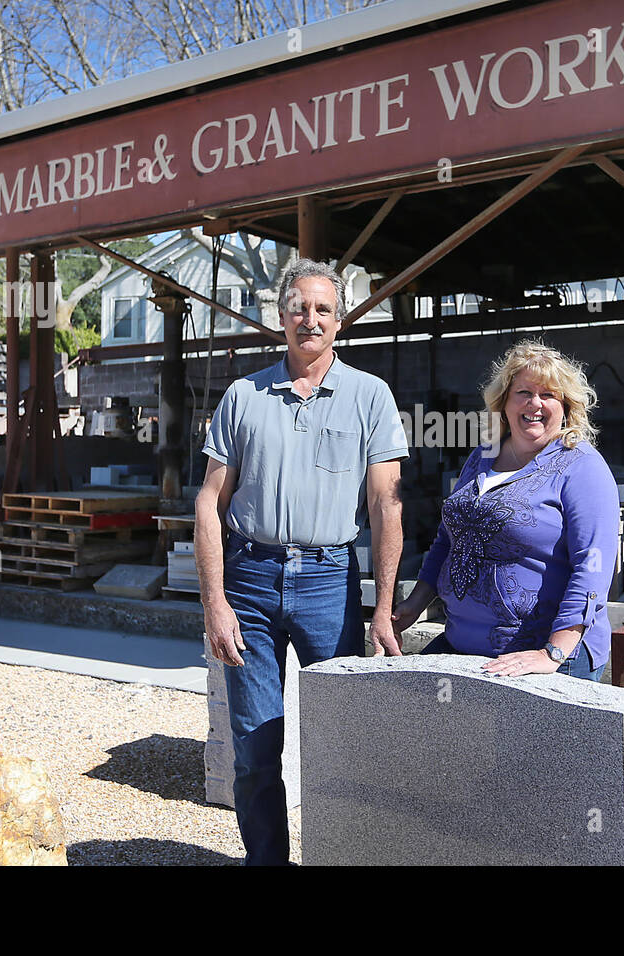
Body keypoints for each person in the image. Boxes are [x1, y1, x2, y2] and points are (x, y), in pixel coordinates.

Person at [195, 258, 407, 866]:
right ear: (280, 317)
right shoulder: (243, 396)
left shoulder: (370, 397)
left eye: (322, 309)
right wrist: (215, 603)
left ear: (339, 322)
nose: (309, 319)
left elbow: (386, 508)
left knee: (340, 743)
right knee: (256, 747)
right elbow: (209, 503)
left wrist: (384, 608)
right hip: (251, 581)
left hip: (328, 582)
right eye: (298, 307)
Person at [392, 340, 619, 680]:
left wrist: (553, 652)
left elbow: (593, 567)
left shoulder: (582, 466)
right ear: (504, 402)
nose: (535, 404)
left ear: (567, 406)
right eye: (524, 393)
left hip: (544, 656)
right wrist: (412, 606)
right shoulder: (482, 456)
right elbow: (447, 541)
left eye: (549, 395)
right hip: (463, 645)